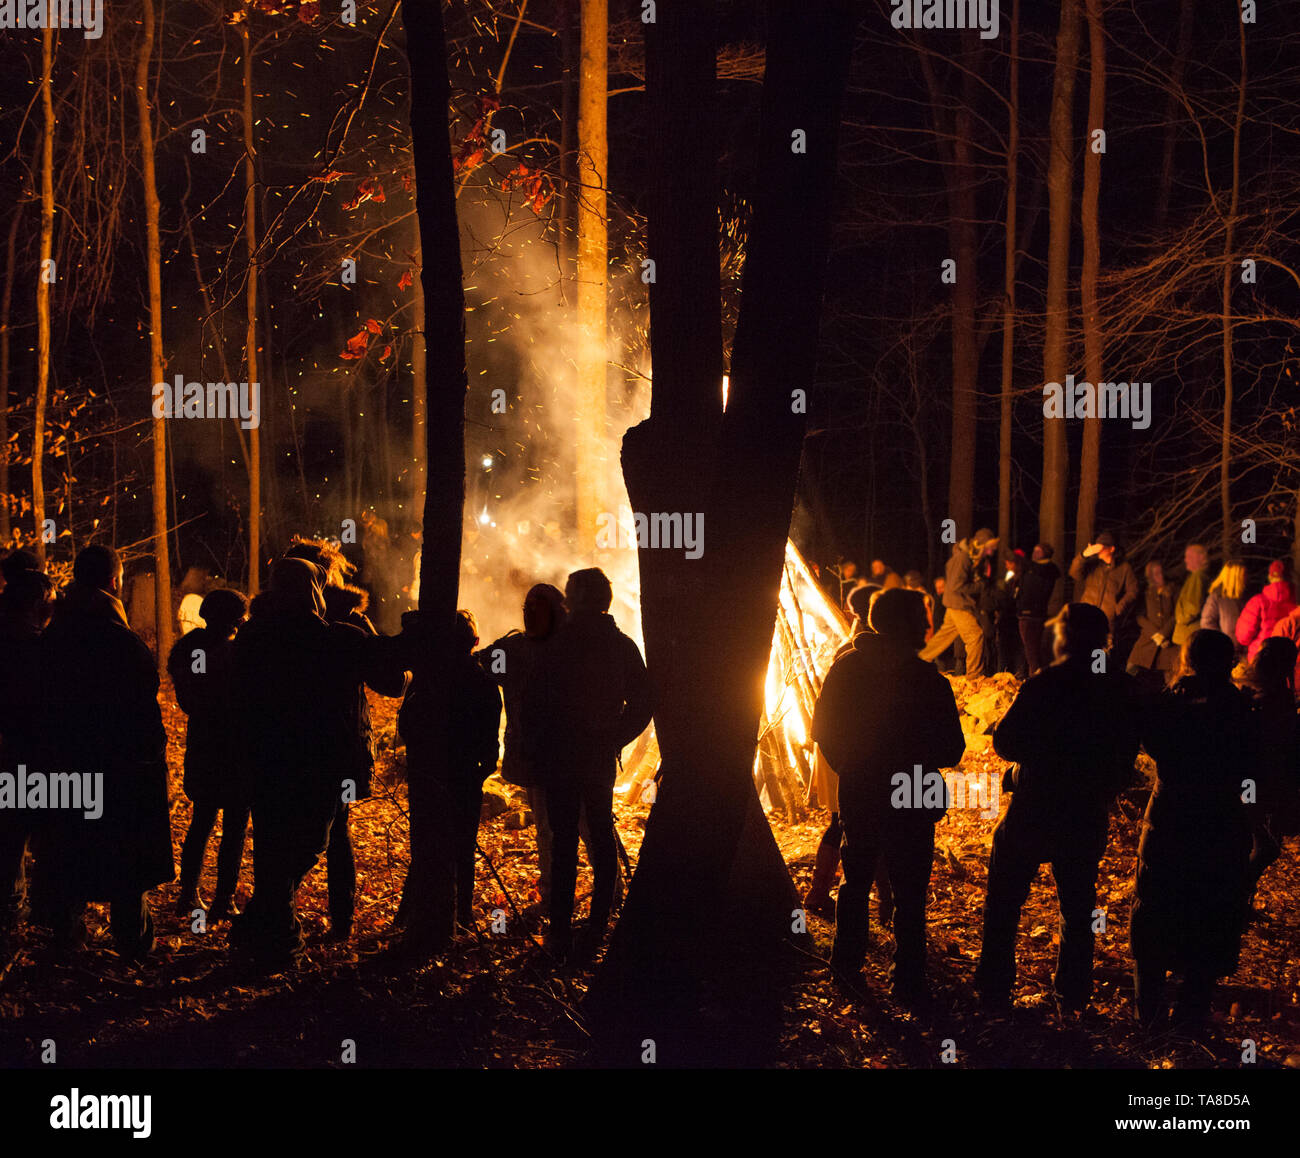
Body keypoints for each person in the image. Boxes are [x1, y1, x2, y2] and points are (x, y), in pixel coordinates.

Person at [230, 558, 406, 967]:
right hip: (320, 763)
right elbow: (393, 680)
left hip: (267, 759)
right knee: (311, 842)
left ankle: (272, 934)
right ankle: (273, 933)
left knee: (276, 846)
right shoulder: (335, 637)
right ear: (315, 590)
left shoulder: (253, 636)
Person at [974, 604, 1139, 1015]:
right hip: (1084, 811)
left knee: (1005, 901)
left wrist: (1033, 762)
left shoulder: (1045, 684)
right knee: (1079, 905)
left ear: (1065, 637)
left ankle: (994, 991)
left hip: (1035, 806)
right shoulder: (1117, 690)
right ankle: (1073, 994)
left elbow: (1006, 742)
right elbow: (1124, 761)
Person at [813, 588, 964, 1003]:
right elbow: (953, 748)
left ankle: (845, 972)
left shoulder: (847, 668)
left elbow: (822, 729)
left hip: (862, 788)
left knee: (856, 880)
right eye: (923, 617)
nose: (929, 625)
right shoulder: (927, 680)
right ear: (909, 625)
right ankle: (908, 981)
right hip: (913, 790)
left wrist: (851, 766)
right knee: (910, 891)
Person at [39, 546, 174, 960]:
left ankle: (67, 936)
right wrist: (152, 757)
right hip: (118, 765)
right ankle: (133, 939)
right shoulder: (122, 641)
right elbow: (142, 711)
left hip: (64, 762)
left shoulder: (52, 635)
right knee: (125, 847)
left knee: (68, 843)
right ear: (114, 581)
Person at [1131, 629, 1257, 1028]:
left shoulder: (1168, 704)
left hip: (1171, 814)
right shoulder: (1239, 709)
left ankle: (1147, 1014)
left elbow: (1151, 741)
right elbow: (1251, 765)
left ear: (1187, 659)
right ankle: (1191, 1012)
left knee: (1155, 906)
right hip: (1220, 820)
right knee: (1210, 908)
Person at [529, 568, 651, 958]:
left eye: (570, 593)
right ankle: (597, 928)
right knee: (599, 836)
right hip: (596, 758)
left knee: (564, 840)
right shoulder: (621, 645)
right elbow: (644, 703)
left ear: (580, 598)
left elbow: (535, 700)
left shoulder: (555, 644)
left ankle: (562, 931)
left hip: (561, 757)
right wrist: (614, 737)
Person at [284, 537, 382, 941]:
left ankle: (281, 915)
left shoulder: (275, 618)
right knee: (330, 834)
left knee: (307, 832)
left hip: (293, 745)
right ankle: (292, 916)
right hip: (333, 745)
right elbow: (389, 675)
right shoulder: (345, 621)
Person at [398, 610, 502, 929]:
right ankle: (461, 913)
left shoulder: (429, 679)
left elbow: (407, 725)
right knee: (463, 847)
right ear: (475, 642)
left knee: (426, 841)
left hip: (430, 774)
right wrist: (481, 771)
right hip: (465, 775)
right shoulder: (484, 681)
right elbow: (491, 739)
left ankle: (414, 911)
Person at [480, 584, 579, 913]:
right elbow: (478, 668)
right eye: (527, 607)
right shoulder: (516, 650)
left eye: (537, 608)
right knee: (551, 830)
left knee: (581, 827)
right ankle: (557, 898)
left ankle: (609, 894)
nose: (529, 613)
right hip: (544, 758)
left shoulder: (571, 647)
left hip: (570, 756)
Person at [167, 588, 250, 925]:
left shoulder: (194, 649)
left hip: (207, 747)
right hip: (230, 748)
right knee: (230, 826)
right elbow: (200, 694)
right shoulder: (221, 651)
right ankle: (218, 898)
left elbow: (193, 695)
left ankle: (193, 894)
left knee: (204, 822)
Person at [0, 568, 55, 944]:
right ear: (38, 603)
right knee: (18, 827)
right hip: (21, 749)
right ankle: (14, 905)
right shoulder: (33, 646)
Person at [1243, 638, 1299, 905]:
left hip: (1261, 778)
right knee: (1262, 844)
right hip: (1258, 778)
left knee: (1262, 843)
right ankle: (1236, 898)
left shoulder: (1271, 689)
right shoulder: (1266, 694)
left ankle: (1240, 898)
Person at [920, 528, 998, 678]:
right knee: (975, 637)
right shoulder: (963, 558)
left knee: (943, 638)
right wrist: (981, 585)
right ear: (982, 545)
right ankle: (975, 677)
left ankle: (919, 661)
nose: (992, 552)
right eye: (990, 547)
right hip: (958, 604)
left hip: (957, 603)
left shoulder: (972, 558)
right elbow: (957, 586)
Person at [1068, 532, 1138, 636]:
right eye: (1097, 548)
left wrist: (1119, 606)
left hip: (1106, 618)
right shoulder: (1092, 564)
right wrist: (1084, 555)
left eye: (1102, 548)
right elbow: (1074, 573)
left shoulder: (1124, 568)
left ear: (1111, 549)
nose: (1098, 551)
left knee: (1099, 649)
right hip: (1086, 614)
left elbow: (1133, 590)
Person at [1126, 560, 1176, 684]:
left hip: (1169, 639)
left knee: (1172, 673)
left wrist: (1163, 635)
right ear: (1151, 576)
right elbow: (1140, 616)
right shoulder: (1146, 593)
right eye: (1157, 574)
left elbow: (1176, 615)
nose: (1161, 576)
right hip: (1148, 637)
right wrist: (1155, 635)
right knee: (1131, 667)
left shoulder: (1174, 590)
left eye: (1161, 573)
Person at [1236, 559, 1296, 662]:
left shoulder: (1257, 602)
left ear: (1270, 576)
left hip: (1259, 660)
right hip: (1286, 662)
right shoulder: (1295, 607)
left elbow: (1243, 636)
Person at [1016, 543, 1059, 678]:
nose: (1034, 553)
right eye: (1034, 550)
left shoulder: (1042, 571)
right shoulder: (1032, 569)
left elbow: (1033, 592)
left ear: (1045, 553)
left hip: (1032, 615)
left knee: (1032, 652)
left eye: (1038, 551)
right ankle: (1029, 676)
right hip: (1029, 613)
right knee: (1031, 650)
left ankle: (1034, 680)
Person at [1201, 561, 1247, 658]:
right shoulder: (1217, 597)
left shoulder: (1245, 596)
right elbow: (1207, 623)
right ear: (1234, 577)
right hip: (1224, 653)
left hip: (1243, 651)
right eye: (1242, 575)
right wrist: (1223, 642)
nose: (1245, 578)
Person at [1171, 542, 1210, 649]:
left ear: (1198, 558)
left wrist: (1180, 619)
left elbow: (1193, 607)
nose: (1185, 560)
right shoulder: (1197, 576)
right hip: (1189, 634)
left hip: (1188, 634)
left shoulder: (1198, 577)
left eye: (1188, 557)